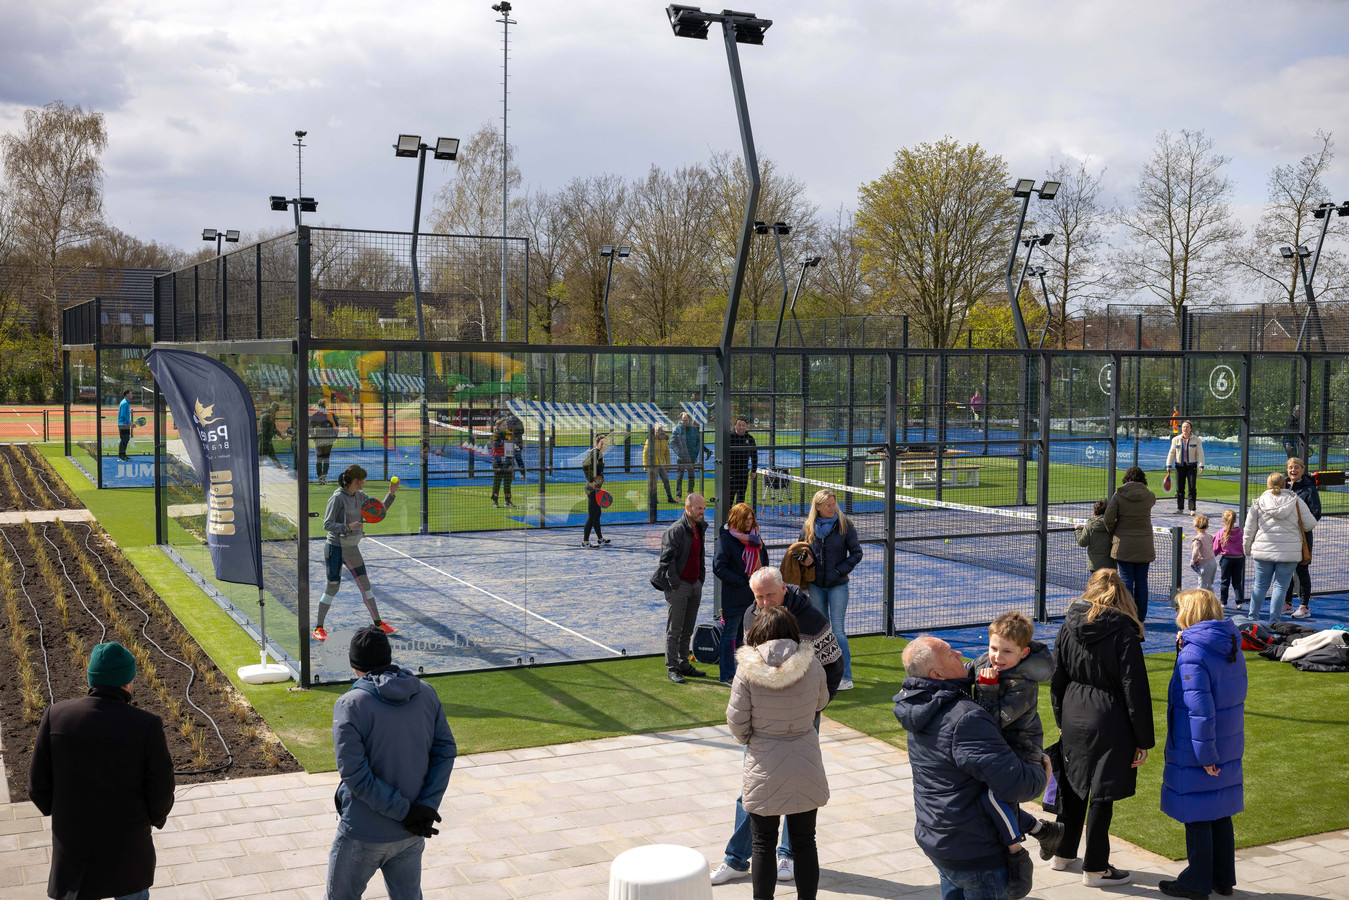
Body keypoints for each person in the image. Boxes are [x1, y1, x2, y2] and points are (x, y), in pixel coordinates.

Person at [709, 567, 843, 887]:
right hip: (763, 727)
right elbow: (748, 670)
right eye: (759, 597)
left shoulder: (811, 619)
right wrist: (749, 734)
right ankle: (736, 860)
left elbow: (834, 664)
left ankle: (787, 855)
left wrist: (815, 708)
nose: (765, 602)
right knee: (752, 794)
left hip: (802, 720)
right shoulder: (750, 616)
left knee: (796, 793)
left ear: (784, 588)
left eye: (770, 594)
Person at [894, 635, 1049, 900]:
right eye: (949, 653)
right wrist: (1042, 773)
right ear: (937, 674)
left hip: (940, 839)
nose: (958, 652)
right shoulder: (965, 717)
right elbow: (1017, 785)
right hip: (974, 850)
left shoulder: (918, 704)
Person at [28, 641, 175, 900]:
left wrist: (62, 814)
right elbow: (161, 789)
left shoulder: (56, 716)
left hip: (73, 849)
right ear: (126, 682)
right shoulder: (146, 724)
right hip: (128, 849)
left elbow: (37, 785)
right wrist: (153, 818)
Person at [327, 626, 457, 900]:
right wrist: (424, 808)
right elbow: (444, 752)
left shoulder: (350, 704)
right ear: (389, 658)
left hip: (363, 833)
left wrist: (407, 812)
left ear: (354, 666)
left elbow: (356, 775)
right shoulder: (426, 692)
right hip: (411, 833)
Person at [1049, 568, 1153, 888]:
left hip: (1073, 711)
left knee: (1073, 784)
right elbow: (1134, 689)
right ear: (1121, 593)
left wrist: (1061, 720)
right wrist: (1143, 740)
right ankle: (1095, 867)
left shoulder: (1068, 624)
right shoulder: (1125, 632)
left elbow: (1057, 678)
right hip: (1109, 718)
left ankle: (1062, 853)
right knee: (1101, 793)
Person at [726, 606, 830, 900]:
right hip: (805, 758)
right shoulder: (812, 665)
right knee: (805, 842)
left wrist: (753, 739)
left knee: (762, 843)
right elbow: (820, 702)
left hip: (764, 761)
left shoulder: (747, 669)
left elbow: (736, 719)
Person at [967, 612, 1065, 898]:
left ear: (1023, 653)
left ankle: (1017, 857)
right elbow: (964, 673)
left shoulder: (1023, 684)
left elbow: (993, 722)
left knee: (993, 798)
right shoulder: (986, 662)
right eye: (993, 648)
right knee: (983, 801)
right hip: (997, 749)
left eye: (1006, 651)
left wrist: (986, 690)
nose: (997, 656)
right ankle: (1042, 830)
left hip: (1021, 752)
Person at [1158, 589, 1246, 900]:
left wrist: (1206, 754)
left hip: (1199, 747)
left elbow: (1200, 709)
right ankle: (1222, 879)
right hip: (1229, 740)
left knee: (1196, 812)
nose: (1176, 614)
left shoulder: (1194, 655)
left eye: (1179, 609)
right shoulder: (1229, 645)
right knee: (1219, 810)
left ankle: (1196, 881)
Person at [313, 464, 399, 642]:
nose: (365, 482)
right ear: (355, 481)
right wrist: (347, 527)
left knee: (365, 585)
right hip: (335, 548)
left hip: (352, 548)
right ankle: (318, 628)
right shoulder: (337, 498)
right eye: (363, 479)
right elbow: (327, 524)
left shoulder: (361, 496)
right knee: (332, 587)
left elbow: (378, 512)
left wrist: (391, 494)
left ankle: (378, 623)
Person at [801, 488, 863, 692]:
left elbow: (856, 553)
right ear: (817, 507)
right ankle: (822, 674)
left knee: (838, 631)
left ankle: (846, 677)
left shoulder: (845, 524)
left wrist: (839, 570)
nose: (831, 508)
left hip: (838, 586)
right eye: (827, 505)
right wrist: (805, 560)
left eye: (833, 504)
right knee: (821, 632)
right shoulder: (808, 527)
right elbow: (799, 549)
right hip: (816, 585)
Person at [1243, 471, 1315, 626]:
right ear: (1285, 484)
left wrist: (1247, 548)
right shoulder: (1295, 501)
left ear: (1268, 484)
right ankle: (1274, 621)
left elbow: (1249, 529)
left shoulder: (1259, 502)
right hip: (1289, 553)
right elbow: (1310, 524)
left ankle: (1252, 619)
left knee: (1260, 585)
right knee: (1280, 587)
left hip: (1263, 551)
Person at [652, 493, 709, 684]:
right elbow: (666, 561)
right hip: (679, 587)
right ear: (688, 508)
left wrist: (700, 578)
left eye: (704, 508)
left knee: (688, 628)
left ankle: (684, 663)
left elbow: (700, 556)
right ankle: (672, 667)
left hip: (695, 585)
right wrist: (676, 585)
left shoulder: (699, 528)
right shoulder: (675, 531)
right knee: (674, 630)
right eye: (699, 508)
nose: (703, 511)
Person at [713, 502, 769, 685]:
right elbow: (719, 567)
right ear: (736, 519)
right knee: (730, 635)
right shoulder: (725, 540)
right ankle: (727, 675)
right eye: (746, 518)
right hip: (735, 596)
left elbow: (765, 561)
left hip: (753, 597)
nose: (749, 521)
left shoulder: (756, 538)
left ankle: (742, 673)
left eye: (751, 517)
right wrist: (743, 581)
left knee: (746, 637)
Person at [1103, 466, 1156, 620]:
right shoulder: (1150, 496)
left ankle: (1127, 615)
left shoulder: (1118, 496)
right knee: (1141, 581)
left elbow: (1108, 519)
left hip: (1124, 544)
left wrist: (1114, 531)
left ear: (1126, 478)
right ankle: (1140, 617)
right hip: (1144, 545)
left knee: (1126, 580)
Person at [1281, 457, 1321, 619]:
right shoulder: (1282, 486)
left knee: (1301, 570)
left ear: (1302, 470)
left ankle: (1304, 607)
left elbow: (1316, 513)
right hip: (1284, 537)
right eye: (1290, 467)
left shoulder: (1310, 489)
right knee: (1286, 570)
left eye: (1296, 467)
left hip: (1302, 538)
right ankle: (1287, 604)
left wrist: (1298, 527)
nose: (1293, 470)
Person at [1165, 421, 1205, 515]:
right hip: (1179, 466)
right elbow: (1171, 453)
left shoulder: (1197, 440)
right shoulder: (1175, 439)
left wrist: (1201, 465)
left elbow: (1200, 453)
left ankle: (1192, 509)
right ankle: (1180, 508)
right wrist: (1168, 465)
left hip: (1192, 467)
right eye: (1183, 427)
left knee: (1192, 488)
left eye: (1187, 427)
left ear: (1191, 429)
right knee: (1180, 488)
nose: (1185, 429)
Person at [1212, 510, 1245, 611]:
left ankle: (1223, 602)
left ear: (1223, 521)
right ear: (1235, 520)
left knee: (1224, 582)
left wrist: (1214, 554)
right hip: (1239, 559)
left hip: (1226, 560)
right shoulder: (1240, 532)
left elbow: (1215, 548)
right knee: (1237, 582)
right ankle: (1239, 602)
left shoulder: (1221, 532)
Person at [581, 434, 609, 547]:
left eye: (605, 443)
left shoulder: (599, 453)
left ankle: (600, 539)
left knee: (597, 513)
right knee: (592, 515)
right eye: (602, 443)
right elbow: (585, 465)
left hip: (596, 488)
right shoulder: (595, 452)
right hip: (592, 488)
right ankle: (585, 542)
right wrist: (590, 481)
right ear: (597, 443)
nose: (604, 445)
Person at [727, 416, 758, 506]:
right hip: (731, 472)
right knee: (729, 496)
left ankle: (739, 518)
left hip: (743, 472)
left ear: (746, 427)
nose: (741, 427)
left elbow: (754, 456)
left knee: (741, 497)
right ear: (735, 426)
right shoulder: (729, 437)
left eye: (743, 425)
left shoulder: (750, 438)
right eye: (739, 425)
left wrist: (754, 470)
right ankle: (727, 518)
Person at [1074, 500, 1112, 573]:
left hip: (1094, 564)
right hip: (1110, 563)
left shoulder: (1090, 524)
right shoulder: (1113, 523)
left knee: (1095, 584)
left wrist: (1078, 530)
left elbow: (1082, 542)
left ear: (1094, 513)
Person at [643, 424, 677, 504]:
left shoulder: (665, 440)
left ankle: (670, 498)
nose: (662, 434)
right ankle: (652, 499)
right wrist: (646, 466)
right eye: (660, 432)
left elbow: (667, 454)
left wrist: (668, 465)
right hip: (653, 465)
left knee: (666, 481)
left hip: (662, 465)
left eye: (663, 432)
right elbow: (645, 453)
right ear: (656, 432)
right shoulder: (650, 440)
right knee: (653, 483)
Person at [672, 411, 701, 499]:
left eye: (686, 419)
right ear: (680, 420)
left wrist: (696, 452)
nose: (685, 421)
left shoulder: (694, 429)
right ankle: (678, 495)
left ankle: (690, 492)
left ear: (689, 420)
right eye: (683, 420)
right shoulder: (676, 429)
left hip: (692, 456)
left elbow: (698, 441)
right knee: (679, 476)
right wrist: (680, 453)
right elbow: (673, 443)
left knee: (691, 475)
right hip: (681, 458)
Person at [310, 399, 339, 484]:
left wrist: (313, 437)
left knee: (319, 458)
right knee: (326, 458)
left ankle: (320, 478)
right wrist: (334, 436)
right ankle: (323, 478)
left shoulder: (315, 416)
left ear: (318, 406)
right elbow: (336, 427)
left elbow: (311, 428)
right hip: (328, 440)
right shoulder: (331, 415)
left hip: (319, 439)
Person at [489, 426, 516, 508]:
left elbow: (511, 453)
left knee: (507, 484)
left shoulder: (508, 438)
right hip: (498, 466)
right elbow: (496, 448)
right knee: (496, 484)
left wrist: (512, 466)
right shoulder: (494, 439)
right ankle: (495, 501)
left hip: (507, 465)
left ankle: (508, 501)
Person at [1190, 515, 1216, 592]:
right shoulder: (1209, 536)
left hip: (1205, 565)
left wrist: (1193, 561)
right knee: (1209, 586)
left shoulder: (1197, 539)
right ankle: (1211, 602)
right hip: (1213, 563)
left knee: (1201, 587)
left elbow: (1195, 553)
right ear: (1207, 526)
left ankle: (1201, 603)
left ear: (1195, 526)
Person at [259, 401, 281, 467]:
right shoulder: (266, 414)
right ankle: (279, 467)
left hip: (267, 439)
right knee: (266, 455)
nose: (275, 412)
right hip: (265, 439)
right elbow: (263, 427)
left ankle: (279, 467)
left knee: (269, 455)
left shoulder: (272, 415)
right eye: (275, 410)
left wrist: (280, 435)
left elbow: (274, 428)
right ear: (272, 407)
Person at [117, 388, 134, 460]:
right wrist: (130, 422)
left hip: (125, 424)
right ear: (127, 395)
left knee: (126, 439)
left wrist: (129, 422)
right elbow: (123, 415)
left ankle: (123, 454)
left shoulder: (126, 402)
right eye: (130, 393)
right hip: (123, 424)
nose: (132, 395)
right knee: (124, 440)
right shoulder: (124, 403)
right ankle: (121, 456)